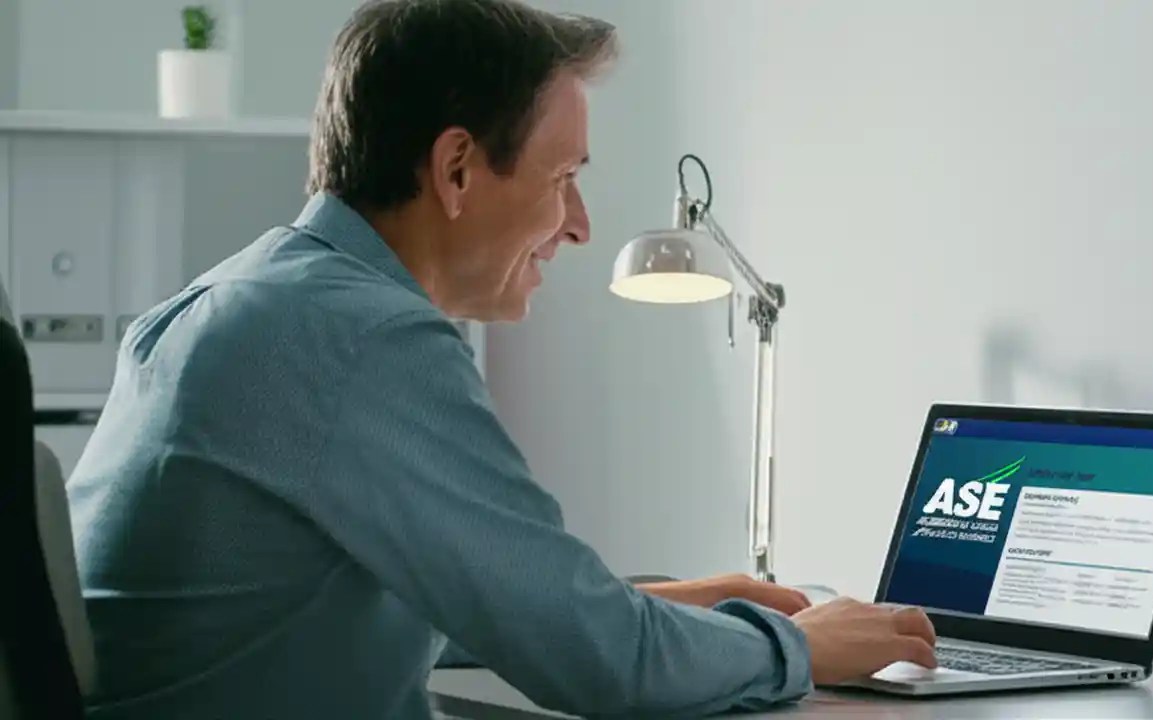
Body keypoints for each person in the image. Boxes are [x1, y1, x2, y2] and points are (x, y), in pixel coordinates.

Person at [67, 1, 938, 718]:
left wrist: (681, 603)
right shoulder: (363, 340)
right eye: (564, 178)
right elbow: (604, 665)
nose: (581, 223)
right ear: (456, 170)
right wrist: (800, 646)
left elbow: (422, 611)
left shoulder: (260, 297)